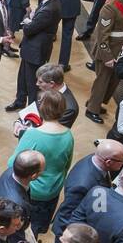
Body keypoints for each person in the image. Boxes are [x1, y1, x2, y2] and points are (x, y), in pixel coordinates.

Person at [11, 91, 73, 235]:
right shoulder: (68, 135)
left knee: (20, 228)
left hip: (32, 191)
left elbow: (14, 163)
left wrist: (20, 135)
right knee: (36, 229)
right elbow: (67, 165)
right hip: (53, 190)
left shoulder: (33, 134)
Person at [8, 0, 60, 111]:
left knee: (32, 83)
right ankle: (20, 101)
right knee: (22, 78)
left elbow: (29, 29)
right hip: (32, 48)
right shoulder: (51, 3)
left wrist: (27, 20)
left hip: (36, 50)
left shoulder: (48, 9)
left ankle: (31, 111)